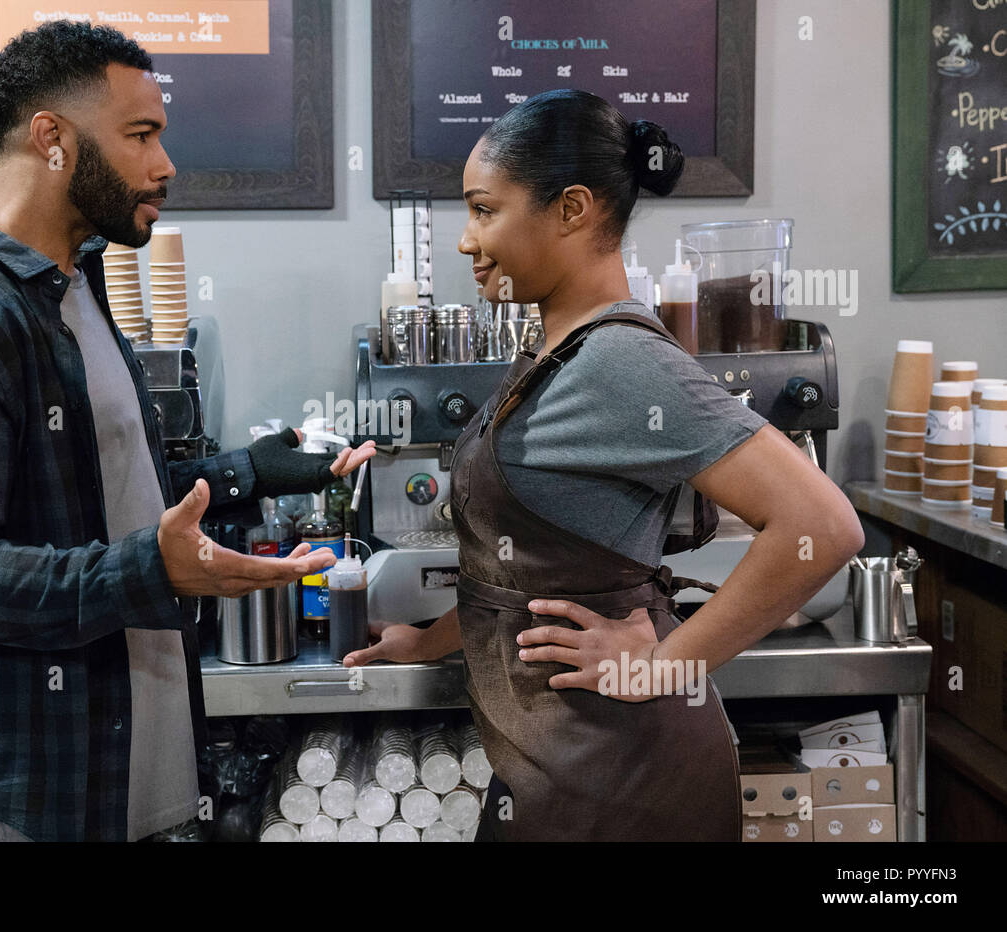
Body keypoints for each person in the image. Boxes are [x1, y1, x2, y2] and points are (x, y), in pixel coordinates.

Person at [0, 21, 374, 842]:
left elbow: (99, 486)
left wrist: (251, 474)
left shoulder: (74, 288)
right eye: (140, 136)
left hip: (129, 766)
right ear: (50, 139)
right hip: (28, 797)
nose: (165, 166)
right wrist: (147, 568)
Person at [343, 89, 864, 842]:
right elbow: (531, 578)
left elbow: (823, 525)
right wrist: (426, 642)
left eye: (484, 210)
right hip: (557, 769)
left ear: (571, 209)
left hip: (624, 783)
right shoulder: (555, 351)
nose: (465, 241)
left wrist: (665, 665)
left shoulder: (621, 361)